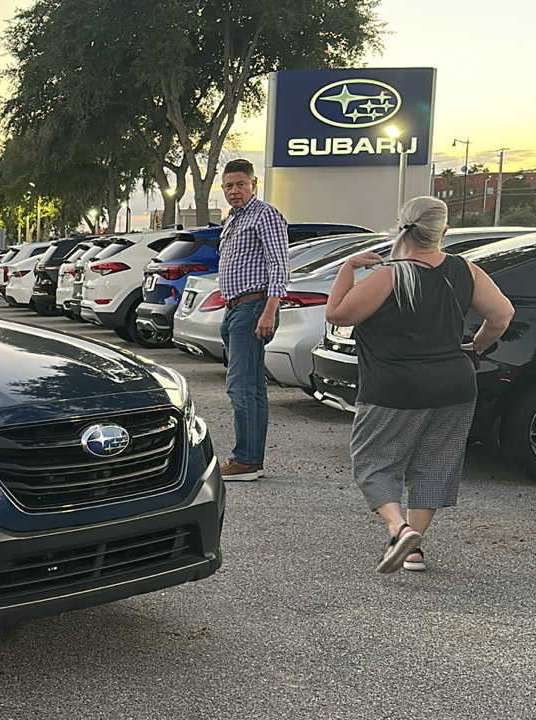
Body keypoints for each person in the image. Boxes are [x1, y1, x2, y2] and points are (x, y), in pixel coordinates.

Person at [325, 196, 514, 574]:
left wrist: (347, 266)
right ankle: (413, 552)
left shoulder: (390, 275)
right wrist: (475, 346)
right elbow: (502, 314)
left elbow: (337, 313)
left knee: (374, 462)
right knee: (434, 465)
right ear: (443, 232)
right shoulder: (466, 271)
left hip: (393, 388)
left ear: (401, 227)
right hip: (455, 386)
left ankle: (399, 529)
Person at [215, 159, 289, 482]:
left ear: (254, 184)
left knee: (240, 386)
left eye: (240, 184)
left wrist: (269, 310)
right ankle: (251, 459)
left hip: (253, 308)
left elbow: (279, 266)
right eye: (229, 186)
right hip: (234, 309)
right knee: (253, 386)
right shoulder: (232, 220)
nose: (234, 191)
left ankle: (244, 459)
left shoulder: (265, 215)